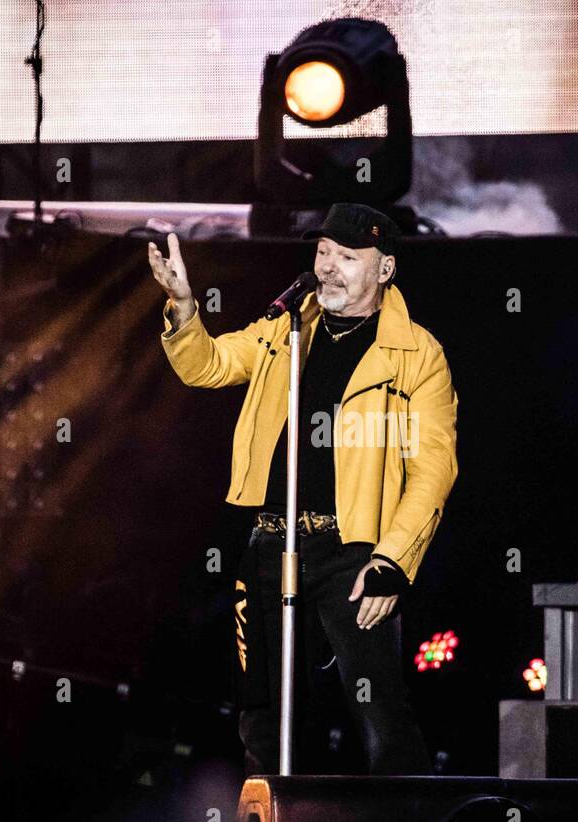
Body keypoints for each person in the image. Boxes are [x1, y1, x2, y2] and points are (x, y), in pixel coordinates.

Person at [147, 202, 458, 775]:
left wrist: (393, 560)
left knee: (379, 717)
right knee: (264, 715)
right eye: (322, 253)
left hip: (355, 555)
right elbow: (208, 365)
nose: (329, 268)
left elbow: (433, 470)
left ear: (385, 270)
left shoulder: (417, 356)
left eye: (346, 257)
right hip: (272, 547)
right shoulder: (284, 330)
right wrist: (185, 308)